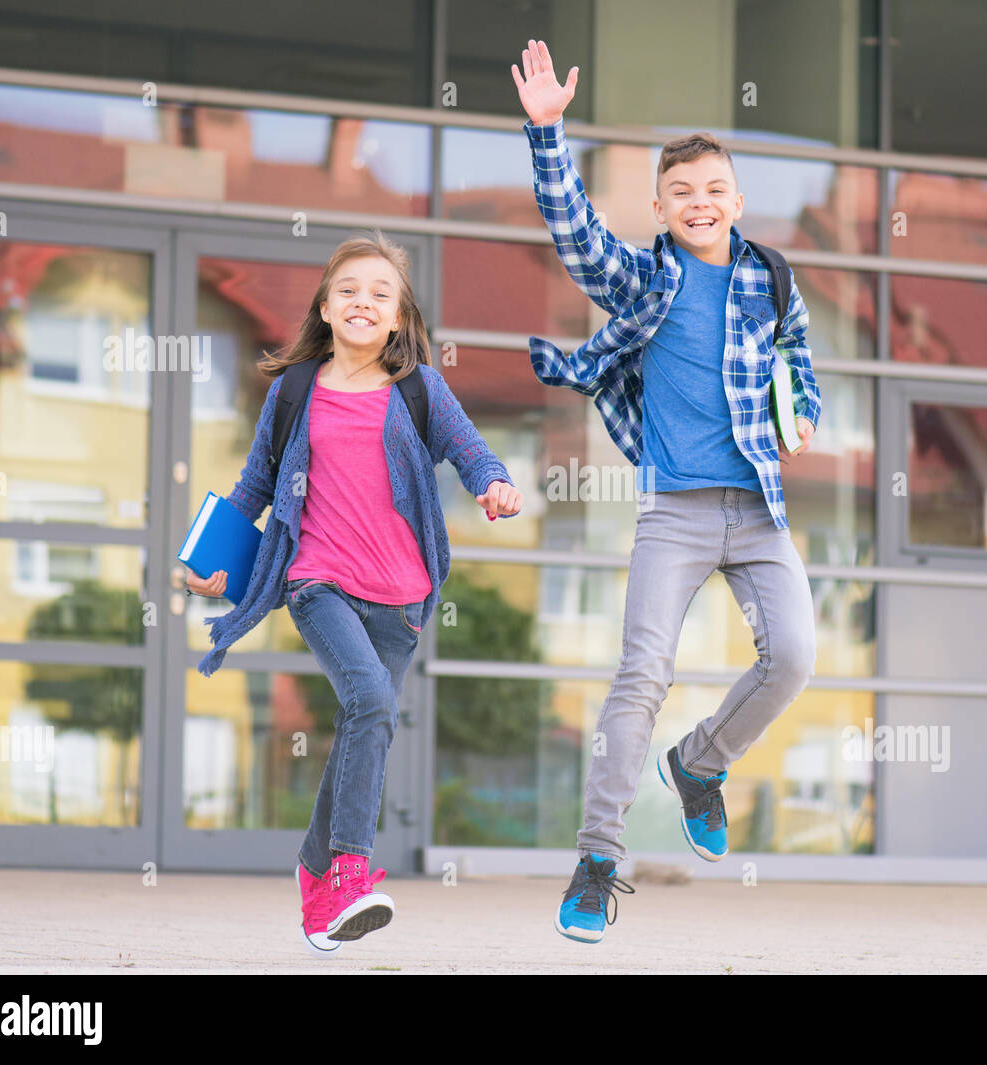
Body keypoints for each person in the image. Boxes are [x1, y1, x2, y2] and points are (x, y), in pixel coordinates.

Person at [511, 40, 821, 943]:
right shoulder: (646, 275)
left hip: (758, 511)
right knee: (640, 674)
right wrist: (546, 135)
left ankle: (701, 763)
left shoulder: (772, 280)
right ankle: (597, 859)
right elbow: (575, 236)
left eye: (714, 191)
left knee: (795, 656)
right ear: (660, 205)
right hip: (676, 512)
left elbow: (798, 357)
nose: (699, 204)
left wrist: (802, 408)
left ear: (737, 199)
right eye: (681, 193)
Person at [186, 230, 522, 955]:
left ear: (398, 317)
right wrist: (208, 559)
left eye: (380, 294)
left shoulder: (419, 389)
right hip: (319, 582)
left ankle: (313, 874)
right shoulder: (294, 392)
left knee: (359, 728)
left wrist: (493, 482)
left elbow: (470, 448)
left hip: (402, 597)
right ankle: (349, 870)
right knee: (370, 703)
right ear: (326, 306)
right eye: (349, 291)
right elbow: (255, 487)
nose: (363, 302)